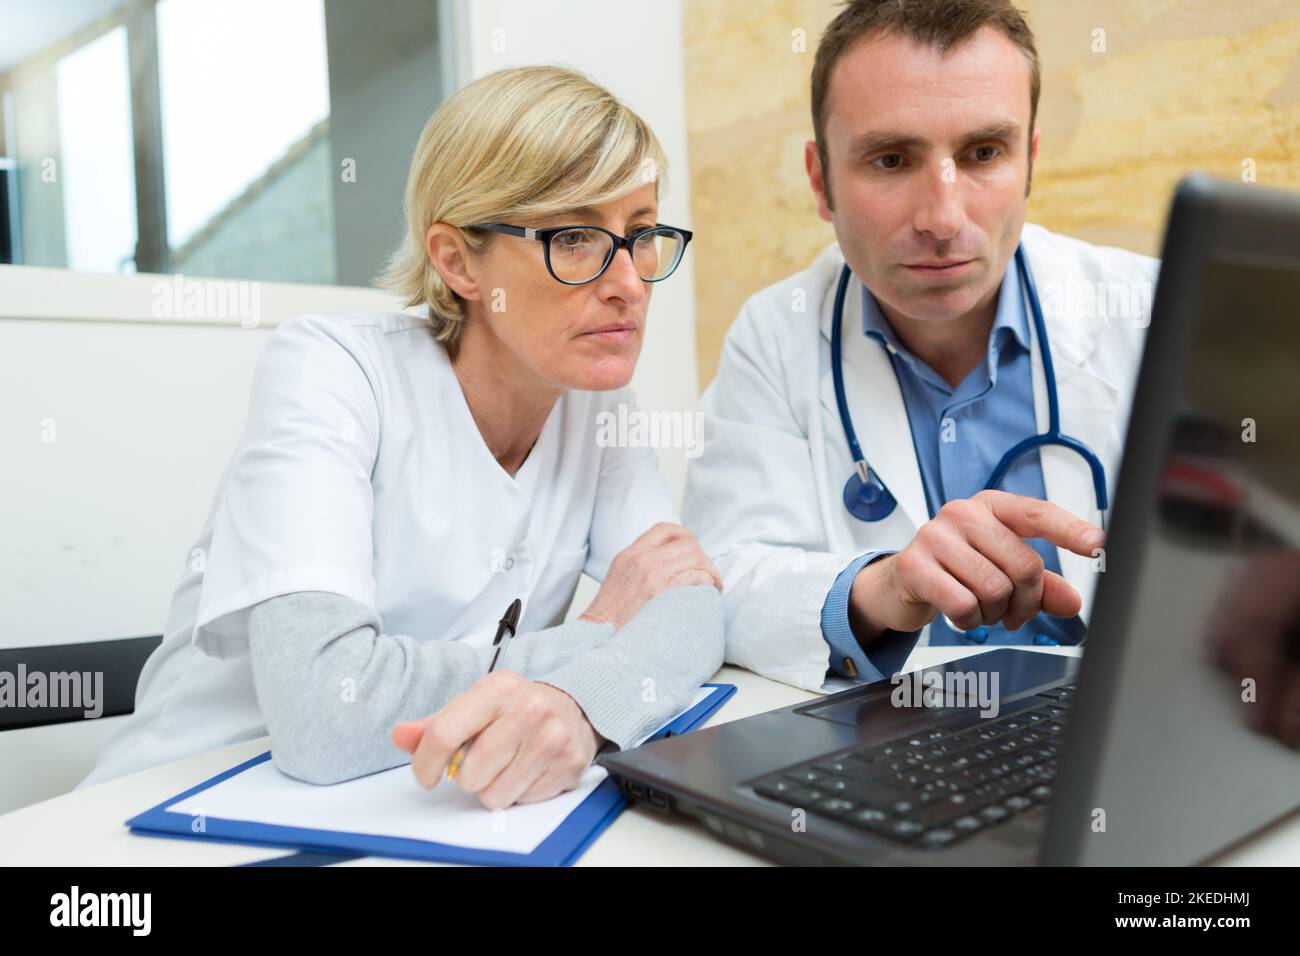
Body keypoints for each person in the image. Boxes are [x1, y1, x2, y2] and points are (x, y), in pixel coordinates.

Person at [80, 66, 724, 810]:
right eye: (576, 237)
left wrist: (581, 707)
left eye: (641, 235)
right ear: (456, 261)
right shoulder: (331, 369)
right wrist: (597, 631)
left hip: (411, 811)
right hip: (178, 808)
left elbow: (692, 609)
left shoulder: (599, 408)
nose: (630, 284)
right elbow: (327, 713)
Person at [683, 0, 1158, 691]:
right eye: (891, 159)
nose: (942, 218)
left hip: (1116, 728)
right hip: (893, 746)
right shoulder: (775, 334)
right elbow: (718, 583)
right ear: (821, 181)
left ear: (1031, 160)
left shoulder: (1144, 311)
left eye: (984, 153)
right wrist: (884, 588)